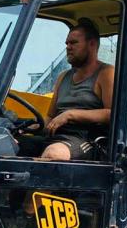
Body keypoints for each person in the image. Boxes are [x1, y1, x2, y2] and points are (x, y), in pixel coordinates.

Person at [40, 19, 114, 161]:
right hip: (57, 137)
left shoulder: (106, 73)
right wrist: (27, 125)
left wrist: (71, 115)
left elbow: (112, 114)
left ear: (92, 44)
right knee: (5, 145)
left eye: (73, 43)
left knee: (54, 154)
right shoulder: (63, 77)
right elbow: (50, 117)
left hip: (87, 140)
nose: (68, 47)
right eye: (67, 43)